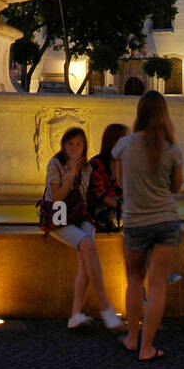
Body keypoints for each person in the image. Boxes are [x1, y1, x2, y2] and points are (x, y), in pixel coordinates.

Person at [113, 91, 184, 361]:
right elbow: (175, 187)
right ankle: (147, 348)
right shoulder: (171, 149)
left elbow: (120, 182)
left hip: (135, 220)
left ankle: (132, 337)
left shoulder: (124, 146)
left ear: (139, 113)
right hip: (165, 220)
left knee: (134, 280)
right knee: (157, 285)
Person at [40, 127, 123, 331]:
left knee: (85, 259)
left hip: (80, 215)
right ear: (64, 146)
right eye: (70, 144)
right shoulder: (55, 164)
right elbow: (57, 198)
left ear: (84, 145)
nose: (74, 149)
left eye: (78, 144)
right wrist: (70, 174)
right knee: (87, 244)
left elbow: (85, 198)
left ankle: (75, 315)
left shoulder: (88, 169)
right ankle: (105, 307)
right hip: (58, 217)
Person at [87, 123, 126, 233]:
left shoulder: (123, 163)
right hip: (98, 208)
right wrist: (122, 207)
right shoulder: (97, 164)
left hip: (116, 205)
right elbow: (99, 195)